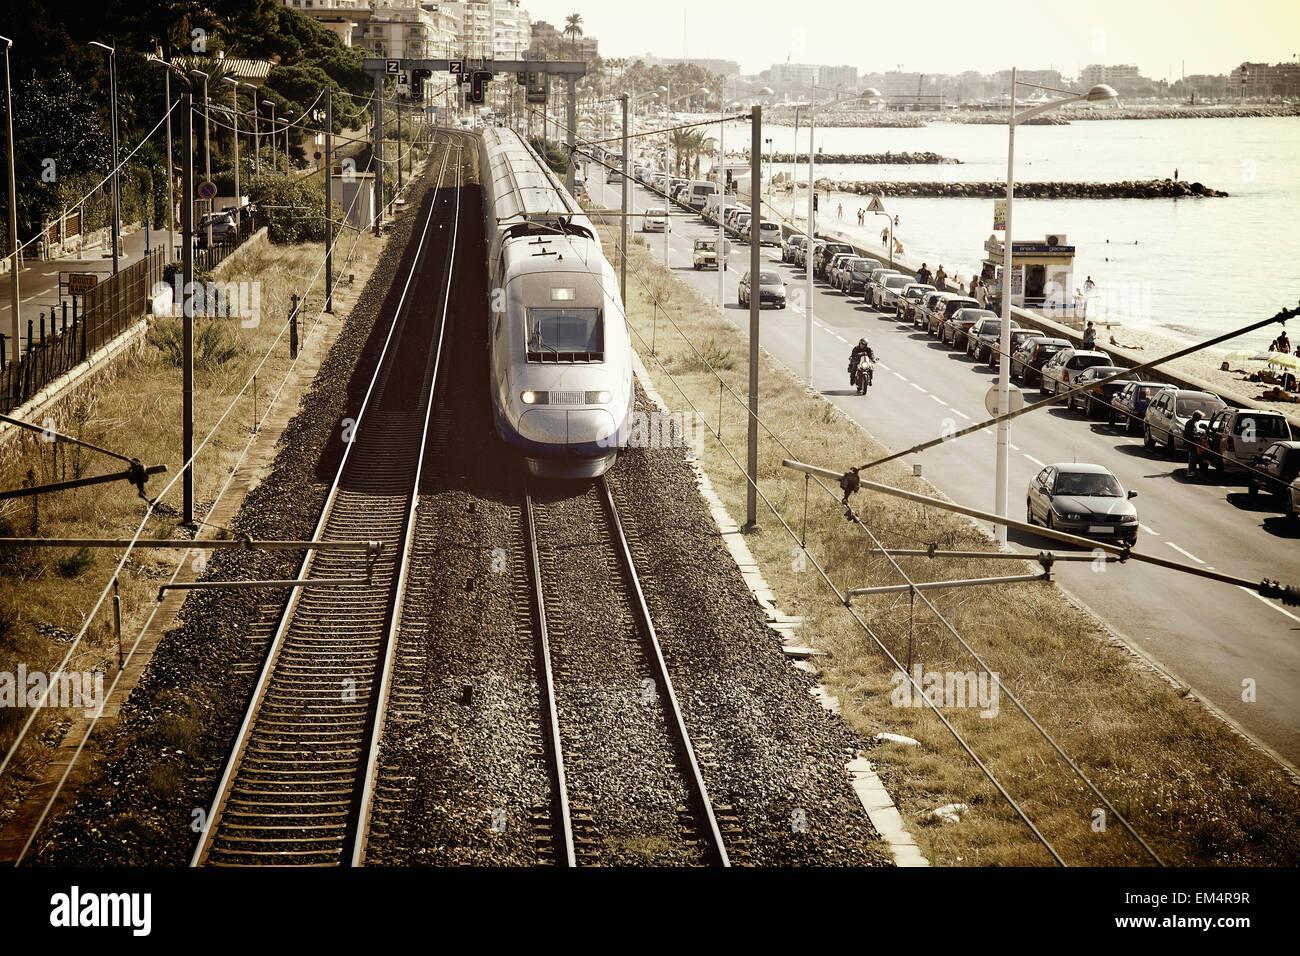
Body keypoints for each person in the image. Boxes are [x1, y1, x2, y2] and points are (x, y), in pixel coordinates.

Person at [1184, 410, 1206, 476]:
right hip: (1191, 442)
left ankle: (1192, 469)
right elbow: (1189, 434)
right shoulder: (1190, 423)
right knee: (1192, 456)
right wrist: (1197, 437)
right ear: (1196, 417)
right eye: (1199, 417)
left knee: (1194, 456)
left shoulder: (1193, 422)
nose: (1200, 419)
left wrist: (1198, 434)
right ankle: (1190, 470)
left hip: (1193, 442)